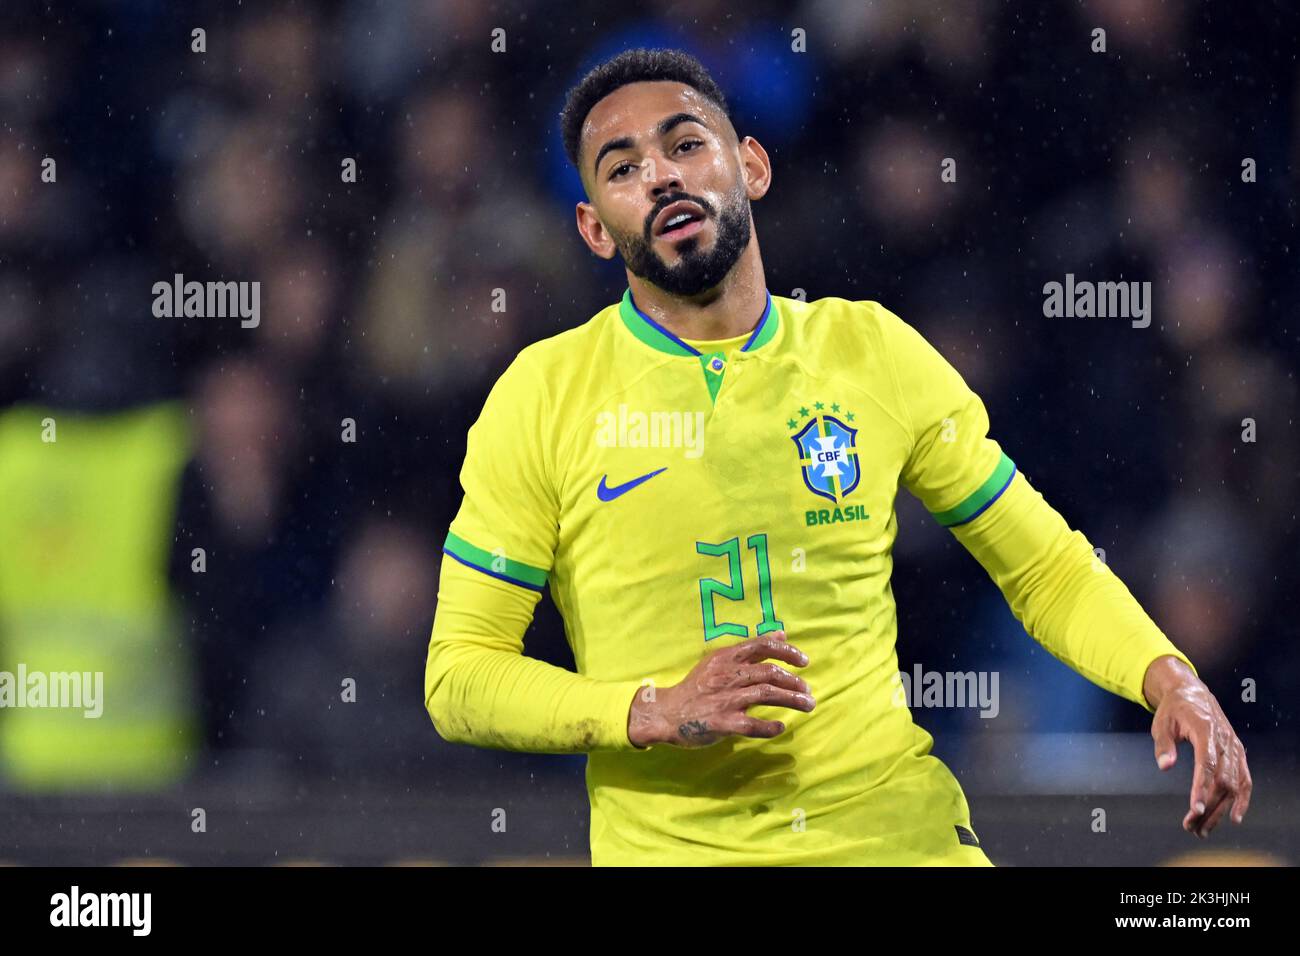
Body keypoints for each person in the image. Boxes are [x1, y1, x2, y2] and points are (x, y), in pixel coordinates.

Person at [424, 48, 1251, 865]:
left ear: (750, 165)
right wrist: (647, 710)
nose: (663, 177)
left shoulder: (871, 353)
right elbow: (459, 677)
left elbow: (1046, 570)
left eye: (685, 145)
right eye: (623, 168)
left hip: (895, 837)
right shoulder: (543, 395)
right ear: (595, 229)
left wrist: (1167, 676)